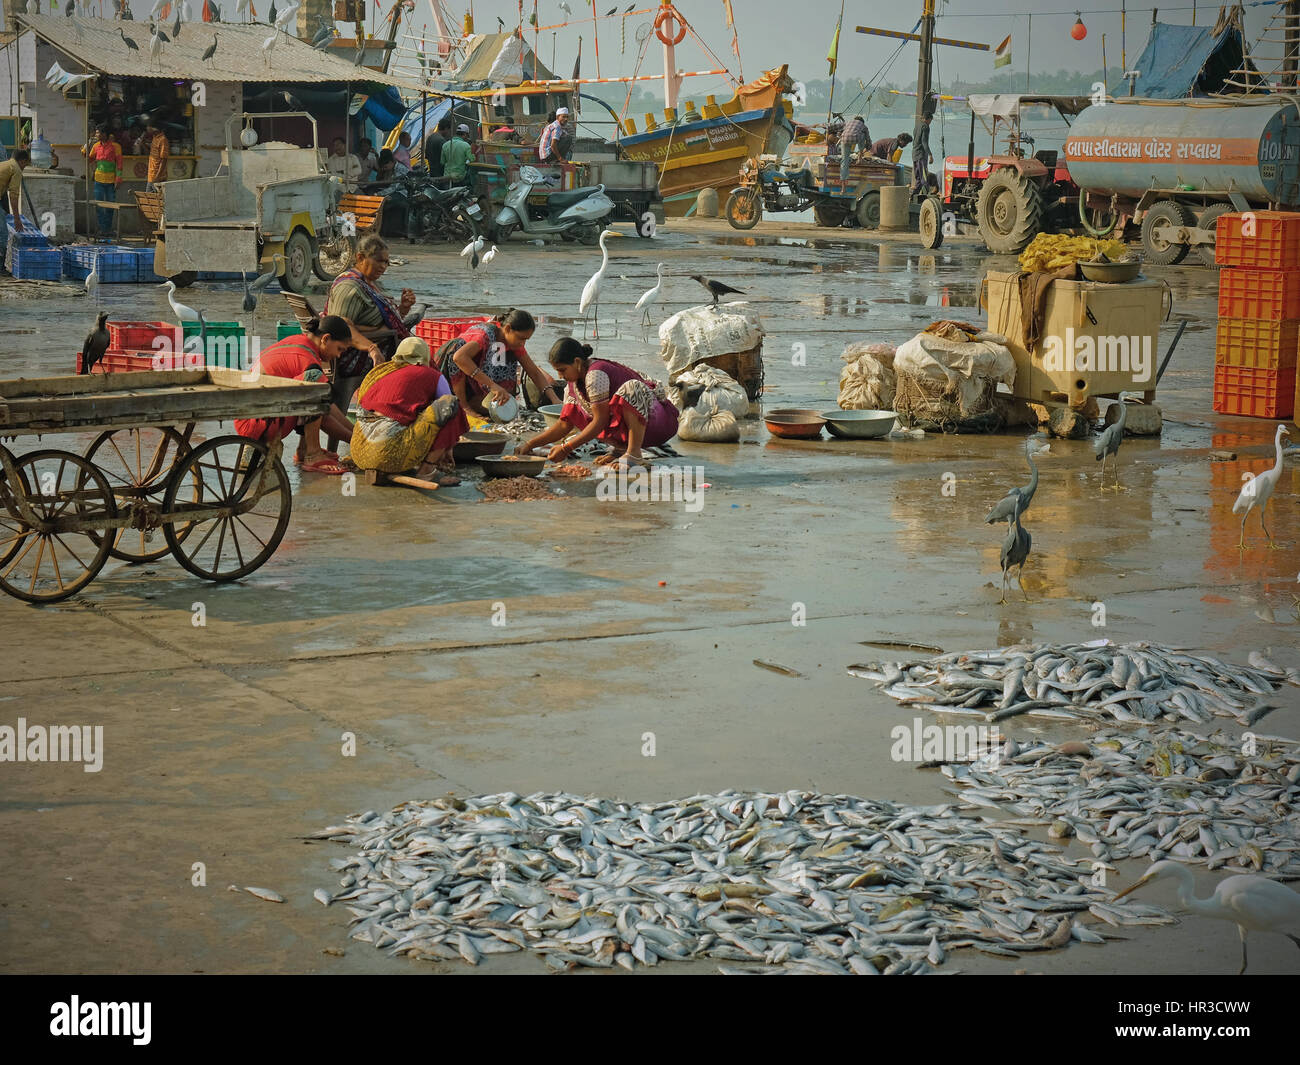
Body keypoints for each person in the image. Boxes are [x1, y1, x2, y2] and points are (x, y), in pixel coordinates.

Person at [517, 338, 679, 469]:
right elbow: (564, 424)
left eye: (563, 369)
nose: (560, 375)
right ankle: (621, 450)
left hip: (658, 423)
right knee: (583, 410)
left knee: (632, 388)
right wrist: (530, 444)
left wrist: (566, 448)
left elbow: (600, 421)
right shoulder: (573, 385)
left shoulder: (595, 374)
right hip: (636, 427)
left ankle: (634, 454)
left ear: (577, 362)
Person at [232, 316, 356, 475]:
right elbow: (326, 412)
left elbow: (329, 409)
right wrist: (356, 441)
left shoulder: (298, 341)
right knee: (316, 386)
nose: (338, 356)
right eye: (339, 349)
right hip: (257, 423)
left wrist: (355, 435)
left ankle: (304, 449)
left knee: (312, 391)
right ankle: (313, 454)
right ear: (326, 339)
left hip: (250, 416)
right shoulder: (307, 359)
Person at [324, 234, 415, 446]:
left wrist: (403, 308)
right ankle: (392, 436)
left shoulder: (367, 284)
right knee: (415, 375)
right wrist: (372, 346)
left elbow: (378, 320)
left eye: (386, 262)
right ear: (360, 257)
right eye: (379, 261)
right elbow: (342, 326)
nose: (384, 266)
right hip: (355, 358)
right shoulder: (350, 288)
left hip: (374, 346)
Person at [350, 337, 468, 486]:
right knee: (451, 403)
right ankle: (427, 469)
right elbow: (449, 410)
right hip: (390, 454)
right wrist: (447, 447)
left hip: (359, 454)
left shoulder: (379, 372)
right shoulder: (431, 375)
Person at [438, 309, 558, 421]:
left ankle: (482, 402)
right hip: (462, 375)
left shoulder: (514, 344)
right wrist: (492, 386)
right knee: (457, 348)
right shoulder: (484, 335)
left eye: (526, 340)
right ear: (507, 329)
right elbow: (459, 357)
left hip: (481, 378)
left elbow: (534, 372)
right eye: (521, 338)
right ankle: (465, 407)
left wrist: (554, 399)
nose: (523, 343)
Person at [83, 127, 123, 240]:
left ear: (104, 134)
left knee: (110, 206)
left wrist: (118, 178)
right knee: (99, 206)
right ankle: (102, 229)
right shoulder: (96, 146)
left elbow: (119, 164)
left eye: (98, 133)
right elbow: (90, 159)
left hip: (111, 181)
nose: (96, 135)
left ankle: (107, 229)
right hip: (98, 180)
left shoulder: (116, 147)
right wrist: (84, 151)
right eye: (96, 133)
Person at [0, 150, 30, 239]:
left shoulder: (5, 164)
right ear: (22, 161)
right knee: (3, 233)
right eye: (26, 164)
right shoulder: (16, 169)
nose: (24, 167)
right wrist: (16, 218)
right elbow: (13, 196)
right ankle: (2, 252)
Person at [840, 114, 868, 183]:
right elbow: (868, 139)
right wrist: (868, 147)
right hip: (855, 138)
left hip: (843, 139)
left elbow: (834, 126)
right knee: (863, 135)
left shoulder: (848, 123)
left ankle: (843, 187)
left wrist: (822, 125)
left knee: (844, 160)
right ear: (862, 122)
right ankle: (859, 158)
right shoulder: (863, 126)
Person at [145, 117, 169, 190]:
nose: (147, 129)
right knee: (149, 200)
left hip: (158, 178)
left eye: (148, 126)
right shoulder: (155, 137)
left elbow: (164, 160)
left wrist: (157, 177)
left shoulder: (163, 140)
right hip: (151, 176)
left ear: (154, 128)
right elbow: (151, 153)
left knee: (156, 200)